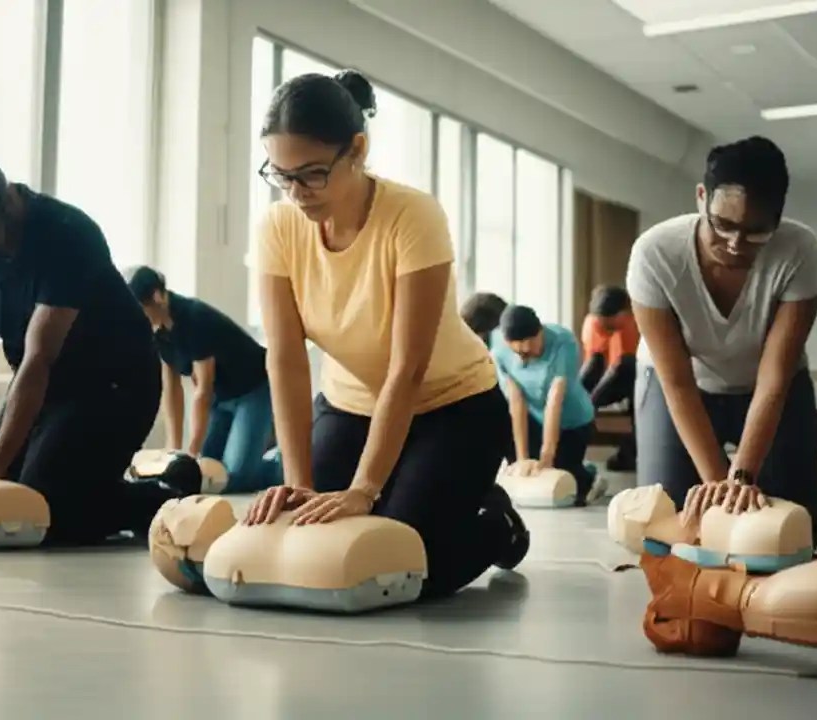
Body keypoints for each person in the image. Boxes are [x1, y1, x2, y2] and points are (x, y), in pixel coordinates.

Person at [243, 70, 530, 599]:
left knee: (404, 565)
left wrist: (364, 488)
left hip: (452, 406)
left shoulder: (413, 215)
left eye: (310, 174)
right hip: (352, 406)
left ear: (357, 150)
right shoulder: (278, 228)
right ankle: (422, 485)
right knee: (312, 537)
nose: (296, 194)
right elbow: (284, 357)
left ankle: (495, 523)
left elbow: (408, 365)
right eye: (280, 176)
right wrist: (298, 481)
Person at [0, 152, 195, 545]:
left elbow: (38, 357)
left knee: (42, 510)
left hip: (116, 386)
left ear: (7, 200)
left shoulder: (66, 233)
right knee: (1, 497)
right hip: (52, 389)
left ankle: (169, 491)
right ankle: (91, 479)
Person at [625, 136, 817, 544]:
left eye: (756, 232)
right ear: (701, 198)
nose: (735, 244)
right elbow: (677, 383)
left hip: (767, 387)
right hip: (680, 385)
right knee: (672, 524)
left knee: (794, 531)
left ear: (778, 217)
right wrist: (721, 484)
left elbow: (774, 381)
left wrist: (743, 475)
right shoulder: (655, 253)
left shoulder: (799, 249)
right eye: (724, 224)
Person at [126, 265, 282, 493]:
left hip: (254, 389)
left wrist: (191, 452)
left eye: (139, 308)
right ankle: (254, 443)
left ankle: (285, 464)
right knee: (206, 473)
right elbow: (172, 389)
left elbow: (203, 391)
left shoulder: (194, 318)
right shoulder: (157, 330)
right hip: (223, 396)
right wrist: (174, 449)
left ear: (157, 297)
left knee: (232, 477)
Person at [492, 305, 597, 505]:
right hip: (534, 417)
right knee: (528, 470)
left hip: (572, 421)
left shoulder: (562, 341)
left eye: (531, 347)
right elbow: (516, 401)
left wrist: (547, 456)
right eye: (520, 352)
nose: (526, 353)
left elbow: (555, 397)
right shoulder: (498, 350)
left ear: (541, 331)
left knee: (566, 483)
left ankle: (589, 476)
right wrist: (521, 458)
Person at [579, 285, 640, 471]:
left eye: (609, 324)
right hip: (609, 376)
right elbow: (592, 367)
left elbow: (622, 368)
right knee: (578, 395)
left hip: (639, 376)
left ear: (625, 313)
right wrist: (579, 400)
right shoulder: (593, 323)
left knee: (628, 366)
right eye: (602, 323)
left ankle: (627, 456)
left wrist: (591, 401)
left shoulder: (637, 322)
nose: (604, 328)